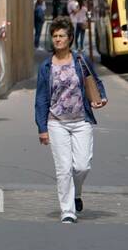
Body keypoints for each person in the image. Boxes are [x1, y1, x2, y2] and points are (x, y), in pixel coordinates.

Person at [35, 15, 107, 223]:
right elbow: (41, 99)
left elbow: (95, 82)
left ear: (70, 39)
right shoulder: (46, 66)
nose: (57, 39)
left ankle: (76, 193)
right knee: (64, 168)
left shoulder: (80, 60)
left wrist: (101, 98)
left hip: (81, 120)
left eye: (61, 36)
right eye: (55, 36)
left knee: (82, 165)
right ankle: (67, 211)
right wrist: (42, 127)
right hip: (56, 122)